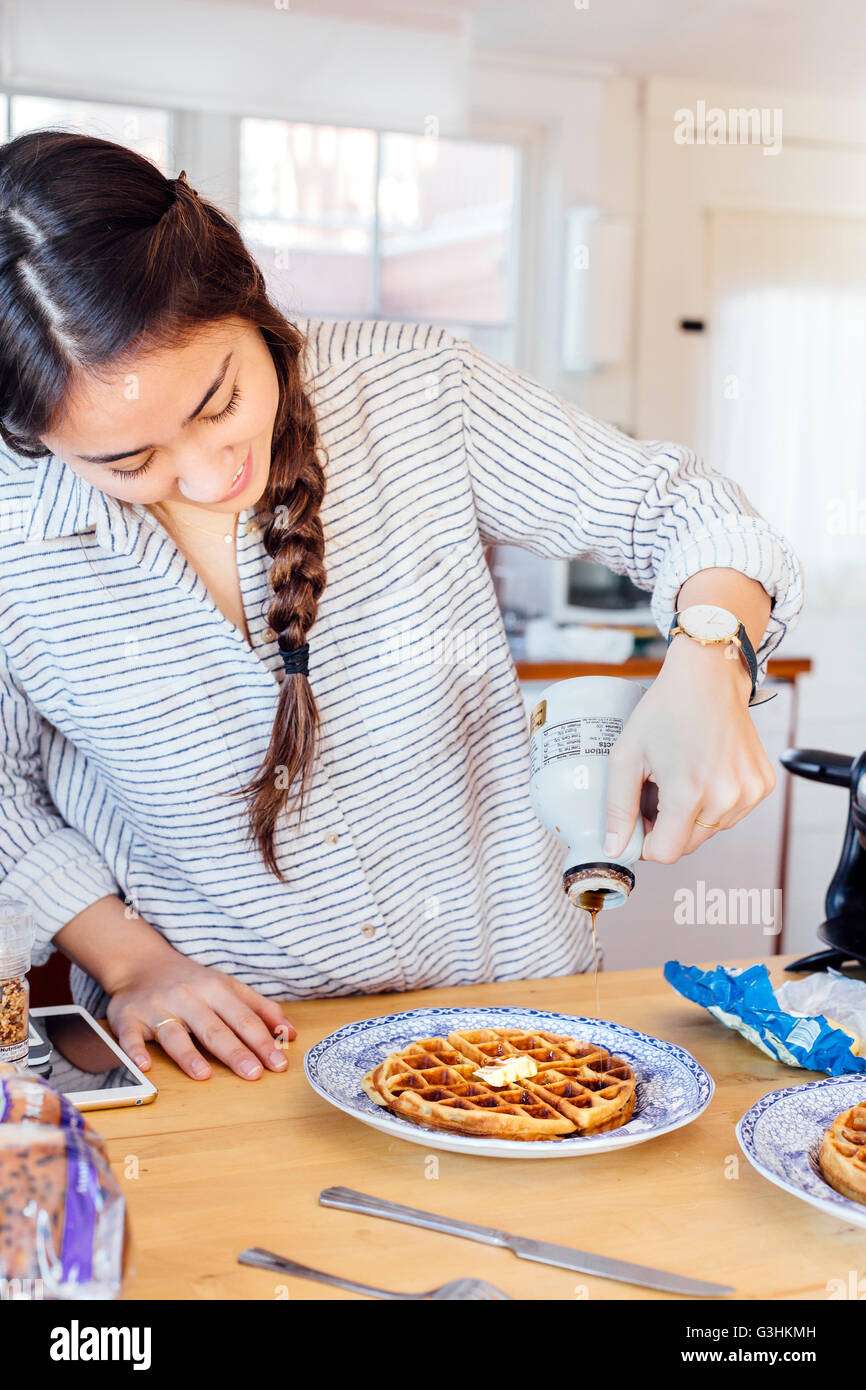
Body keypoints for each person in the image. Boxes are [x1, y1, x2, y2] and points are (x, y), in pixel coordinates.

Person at [0, 131, 802, 1082]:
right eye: (130, 462)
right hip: (232, 1061)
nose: (212, 474)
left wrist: (710, 653)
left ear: (246, 300)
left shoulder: (415, 391)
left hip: (515, 1018)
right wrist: (133, 963)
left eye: (219, 402)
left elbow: (678, 507)